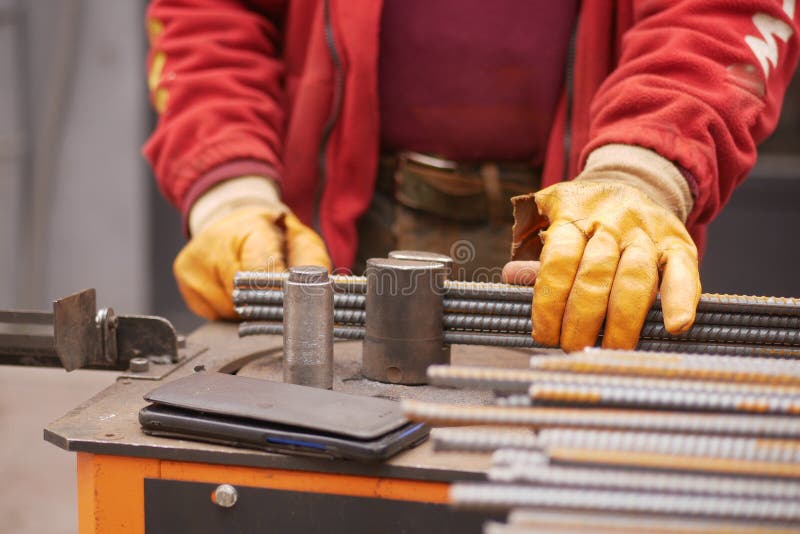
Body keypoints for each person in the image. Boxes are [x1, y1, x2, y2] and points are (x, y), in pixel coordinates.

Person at [143, 1, 799, 351]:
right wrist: (229, 190)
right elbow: (212, 13)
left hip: (583, 232)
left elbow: (721, 12)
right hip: (337, 229)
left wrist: (640, 176)